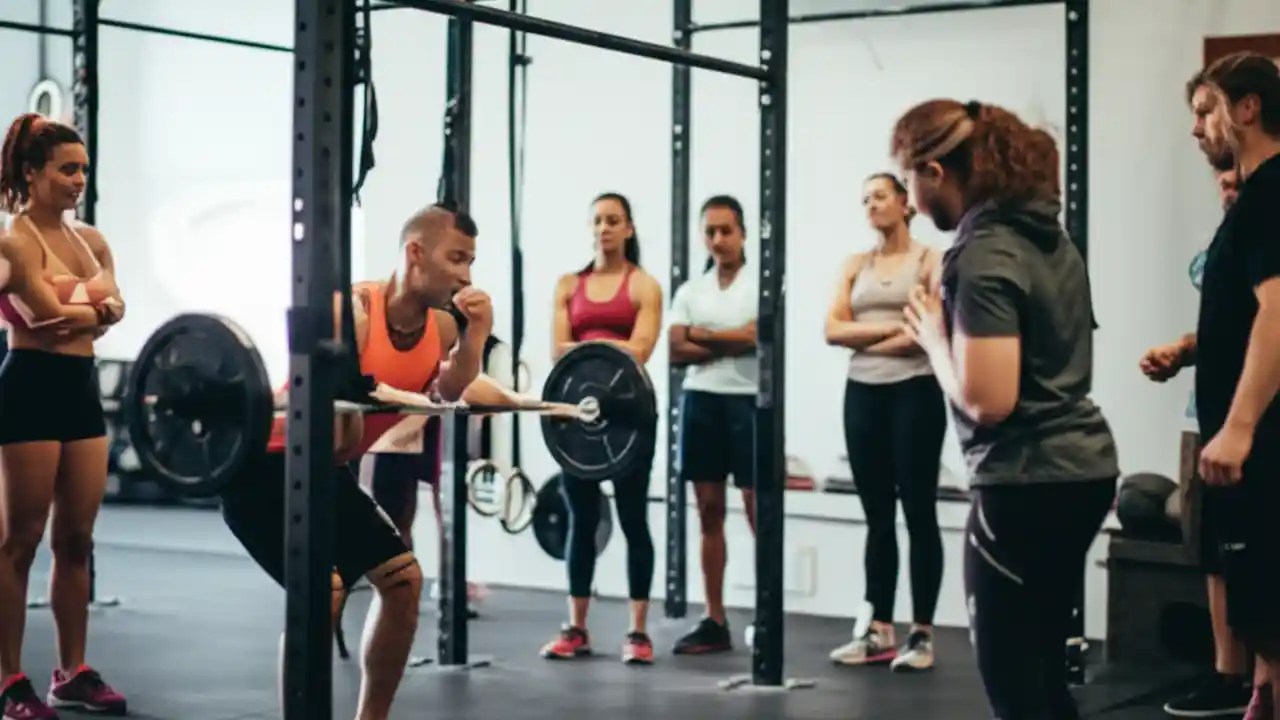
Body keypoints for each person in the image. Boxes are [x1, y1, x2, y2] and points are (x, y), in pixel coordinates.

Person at [219, 203, 501, 720]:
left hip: (324, 472)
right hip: (265, 468)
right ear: (416, 252)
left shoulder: (440, 327)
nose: (466, 274)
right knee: (322, 590)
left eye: (471, 261)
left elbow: (449, 392)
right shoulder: (354, 313)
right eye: (456, 258)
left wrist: (475, 338)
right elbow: (339, 434)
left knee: (403, 583)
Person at [893, 99, 1119, 719]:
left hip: (1027, 483)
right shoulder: (1051, 238)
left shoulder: (984, 252)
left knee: (1017, 688)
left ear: (936, 171)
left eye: (910, 181)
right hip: (1083, 472)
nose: (910, 202)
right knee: (1044, 676)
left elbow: (989, 401)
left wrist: (935, 341)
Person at [0, 114, 128, 719]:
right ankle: (9, 680)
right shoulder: (14, 239)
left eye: (83, 169)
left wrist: (85, 308)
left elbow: (108, 309)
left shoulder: (92, 240)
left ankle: (71, 671)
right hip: (28, 386)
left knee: (77, 540)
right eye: (67, 169)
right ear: (33, 172)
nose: (79, 179)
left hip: (79, 386)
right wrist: (94, 304)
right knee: (17, 542)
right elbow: (51, 314)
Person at [1142, 152, 1262, 717]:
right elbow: (1224, 322)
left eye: (1239, 179)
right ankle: (1228, 674)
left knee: (1258, 548)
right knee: (1214, 547)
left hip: (1256, 416)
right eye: (1224, 180)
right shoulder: (1222, 246)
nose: (1229, 186)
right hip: (1208, 413)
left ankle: (1260, 678)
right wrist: (1183, 351)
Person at [1183, 51, 1280, 720]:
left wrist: (1239, 427)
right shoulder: (1256, 197)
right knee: (1266, 615)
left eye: (1205, 111)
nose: (1197, 130)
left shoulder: (1271, 193)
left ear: (1247, 108)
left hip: (1263, 446)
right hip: (1251, 445)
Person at [823, 173, 945, 672]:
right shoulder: (855, 264)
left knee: (918, 510)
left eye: (879, 195)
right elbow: (832, 329)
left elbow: (926, 335)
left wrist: (865, 334)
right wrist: (896, 326)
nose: (871, 204)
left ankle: (921, 634)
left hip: (915, 392)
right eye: (864, 198)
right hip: (863, 395)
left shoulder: (929, 260)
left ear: (904, 203)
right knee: (877, 517)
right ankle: (879, 631)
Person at [541, 192, 663, 664]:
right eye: (597, 220)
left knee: (633, 519)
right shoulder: (568, 284)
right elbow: (558, 348)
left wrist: (595, 358)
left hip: (630, 417)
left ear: (629, 228)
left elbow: (644, 347)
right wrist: (599, 358)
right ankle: (576, 627)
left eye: (613, 220)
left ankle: (637, 632)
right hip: (577, 419)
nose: (604, 227)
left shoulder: (642, 285)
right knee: (581, 519)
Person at [667, 195, 758, 655]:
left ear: (743, 234)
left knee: (759, 510)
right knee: (708, 512)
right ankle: (714, 619)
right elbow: (675, 350)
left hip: (747, 403)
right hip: (702, 401)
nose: (719, 239)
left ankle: (767, 612)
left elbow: (757, 336)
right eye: (711, 232)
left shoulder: (761, 284)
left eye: (726, 230)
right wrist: (732, 340)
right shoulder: (691, 291)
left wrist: (701, 335)